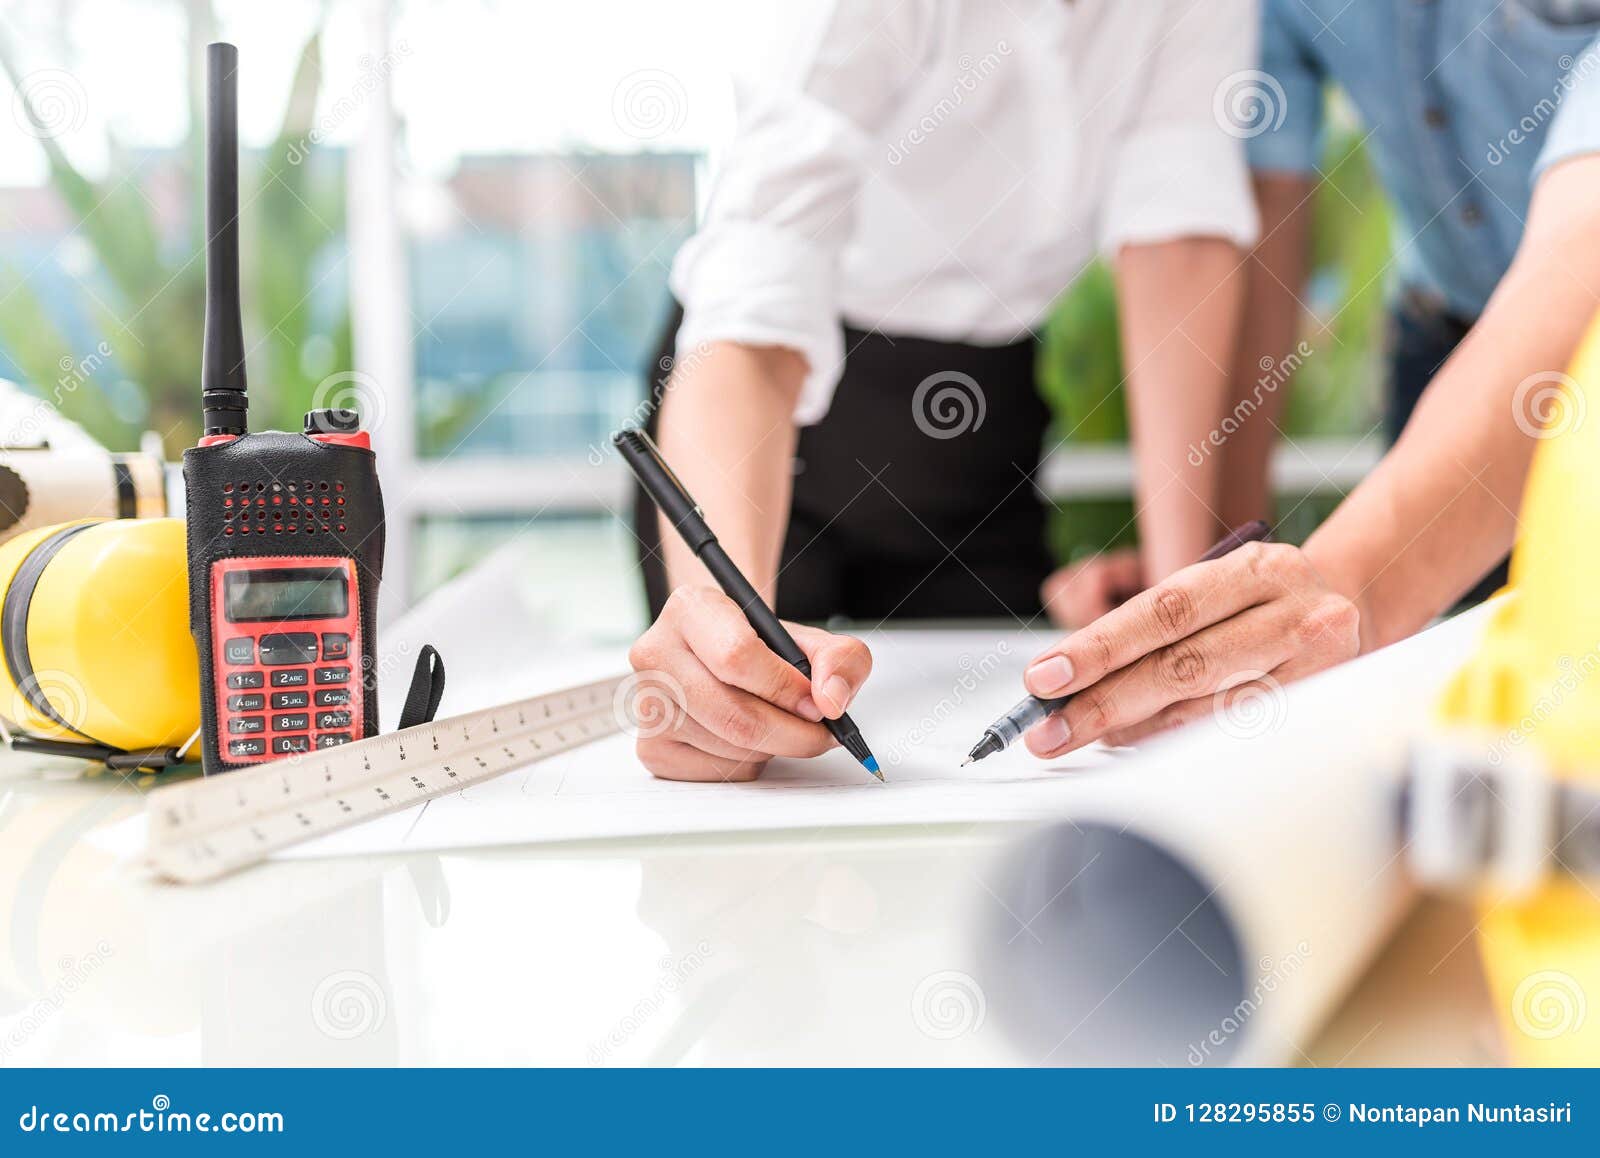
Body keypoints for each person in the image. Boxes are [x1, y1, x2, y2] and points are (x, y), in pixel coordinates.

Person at [628, 0, 1263, 780]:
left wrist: (1176, 610)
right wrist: (717, 645)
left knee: (996, 769)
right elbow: (759, 295)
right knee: (740, 742)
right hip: (768, 411)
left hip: (983, 420)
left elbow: (1180, 237)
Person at [1014, 28, 1600, 760]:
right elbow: (1261, 224)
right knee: (1457, 738)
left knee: (1571, 719)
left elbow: (1586, 256)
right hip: (1439, 336)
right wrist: (1212, 581)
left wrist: (1344, 584)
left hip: (1584, 348)